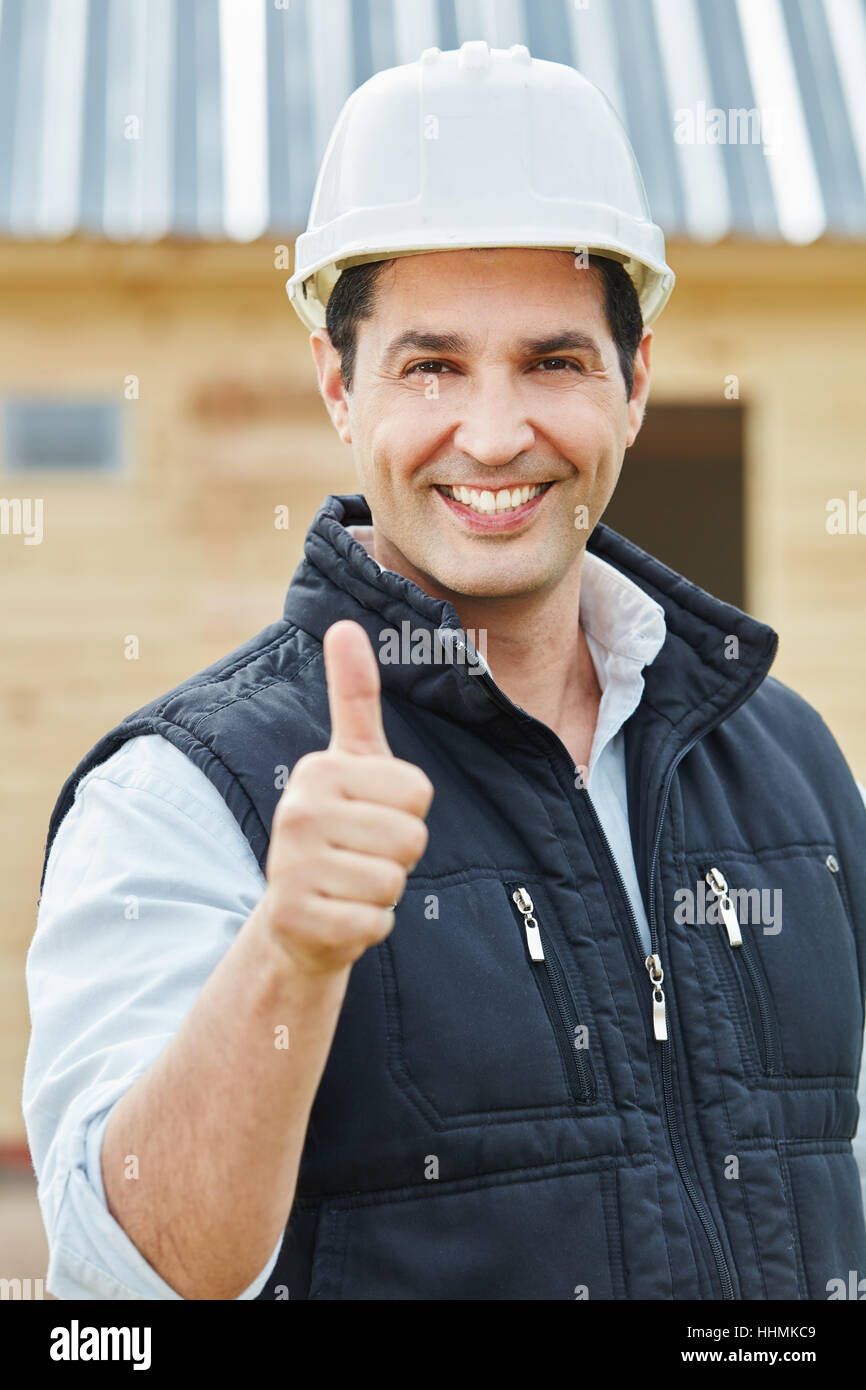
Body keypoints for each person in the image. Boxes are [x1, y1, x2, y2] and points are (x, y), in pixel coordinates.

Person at [25, 42, 866, 1301]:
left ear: (632, 383)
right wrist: (291, 955)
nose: (491, 432)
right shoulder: (184, 795)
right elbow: (134, 1286)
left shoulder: (785, 761)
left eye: (551, 360)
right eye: (429, 365)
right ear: (338, 387)